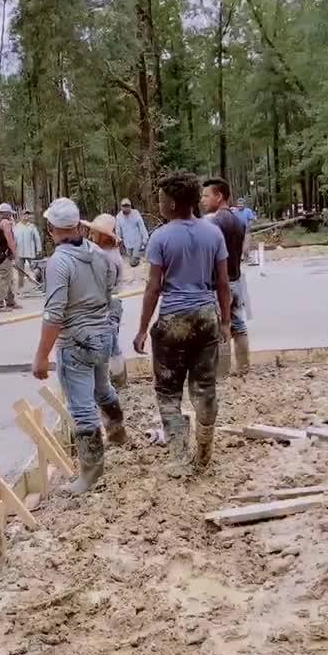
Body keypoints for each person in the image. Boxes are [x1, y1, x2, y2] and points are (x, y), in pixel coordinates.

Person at [134, 170, 231, 471]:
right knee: (204, 386)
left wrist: (141, 329)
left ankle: (179, 457)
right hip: (205, 317)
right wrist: (225, 321)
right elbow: (223, 283)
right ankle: (204, 447)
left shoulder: (160, 237)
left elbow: (153, 287)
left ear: (174, 203)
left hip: (173, 320)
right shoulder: (213, 233)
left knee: (167, 391)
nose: (159, 203)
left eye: (162, 198)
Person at [32, 198, 126, 494]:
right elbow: (108, 291)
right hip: (102, 336)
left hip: (76, 342)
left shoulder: (59, 262)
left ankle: (91, 472)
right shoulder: (97, 252)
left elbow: (54, 315)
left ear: (51, 230)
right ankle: (118, 433)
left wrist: (41, 355)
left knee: (83, 408)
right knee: (104, 390)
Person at [202, 179, 252, 375]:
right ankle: (243, 366)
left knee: (220, 326)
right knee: (238, 324)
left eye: (206, 195)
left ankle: (222, 371)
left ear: (219, 196)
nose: (203, 199)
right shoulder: (238, 221)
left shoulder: (214, 224)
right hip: (236, 279)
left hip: (219, 284)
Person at [81, 213, 127, 387]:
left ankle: (115, 380)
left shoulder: (106, 257)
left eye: (94, 233)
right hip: (112, 302)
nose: (91, 236)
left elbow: (104, 286)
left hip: (109, 303)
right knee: (112, 341)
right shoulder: (108, 253)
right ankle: (117, 379)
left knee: (110, 344)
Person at [0, 203, 20, 313]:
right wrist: (14, 253)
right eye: (10, 213)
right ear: (6, 213)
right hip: (3, 255)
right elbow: (9, 239)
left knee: (9, 278)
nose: (11, 215)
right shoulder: (5, 223)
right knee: (4, 279)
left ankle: (10, 301)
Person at [14, 209, 42, 291]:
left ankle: (40, 285)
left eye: (27, 215)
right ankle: (20, 288)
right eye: (24, 215)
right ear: (21, 216)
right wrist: (13, 251)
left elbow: (37, 238)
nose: (26, 216)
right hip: (20, 252)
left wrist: (39, 249)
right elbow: (14, 240)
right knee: (20, 272)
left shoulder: (32, 226)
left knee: (35, 269)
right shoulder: (17, 227)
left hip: (30, 252)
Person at [115, 198, 148, 267]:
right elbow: (118, 230)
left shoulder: (136, 213)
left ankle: (137, 259)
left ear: (130, 206)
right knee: (130, 258)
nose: (125, 208)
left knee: (133, 262)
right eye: (123, 206)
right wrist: (118, 240)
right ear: (121, 207)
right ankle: (136, 265)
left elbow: (142, 226)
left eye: (127, 206)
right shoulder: (119, 217)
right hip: (127, 242)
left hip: (137, 240)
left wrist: (145, 238)